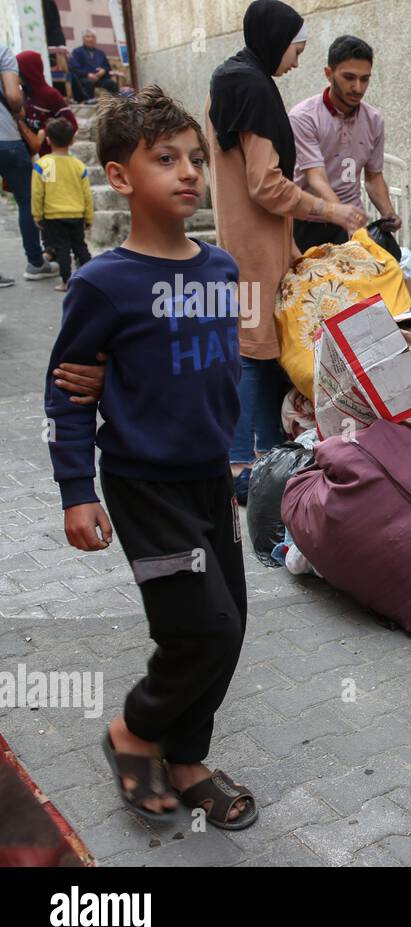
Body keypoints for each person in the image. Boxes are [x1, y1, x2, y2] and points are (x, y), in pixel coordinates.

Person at [44, 86, 257, 830]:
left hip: (209, 482)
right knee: (199, 630)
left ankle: (187, 755)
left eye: (195, 157)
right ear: (122, 176)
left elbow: (213, 373)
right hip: (142, 486)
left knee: (231, 625)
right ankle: (133, 733)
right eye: (165, 158)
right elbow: (66, 391)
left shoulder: (223, 271)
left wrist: (235, 461)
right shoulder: (103, 284)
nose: (189, 172)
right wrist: (77, 489)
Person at [207, 0, 366, 504]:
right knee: (252, 352)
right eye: (295, 49)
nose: (295, 60)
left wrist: (291, 242)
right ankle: (240, 463)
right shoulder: (251, 86)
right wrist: (330, 211)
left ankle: (268, 450)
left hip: (253, 240)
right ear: (275, 42)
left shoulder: (236, 78)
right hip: (252, 249)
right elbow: (266, 186)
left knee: (260, 346)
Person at [288, 34, 398, 251]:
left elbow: (374, 177)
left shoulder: (374, 119)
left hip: (351, 224)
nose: (358, 87)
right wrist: (341, 214)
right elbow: (316, 178)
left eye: (365, 79)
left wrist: (388, 213)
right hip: (307, 220)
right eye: (349, 77)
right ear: (329, 74)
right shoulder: (304, 117)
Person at [0, 42, 59, 285]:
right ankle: (36, 263)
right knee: (25, 199)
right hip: (7, 138)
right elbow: (14, 96)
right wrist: (19, 110)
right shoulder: (2, 51)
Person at [31, 118, 92, 291]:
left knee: (61, 250)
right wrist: (88, 217)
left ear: (48, 140)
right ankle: (91, 278)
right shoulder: (79, 166)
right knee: (80, 247)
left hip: (54, 216)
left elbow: (37, 193)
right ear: (72, 140)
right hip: (77, 214)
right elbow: (86, 194)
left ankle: (66, 282)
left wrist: (37, 214)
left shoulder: (43, 164)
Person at [18, 49, 78, 157]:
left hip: (52, 158)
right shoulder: (24, 94)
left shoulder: (50, 94)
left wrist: (46, 131)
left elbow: (71, 123)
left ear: (28, 72)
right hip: (31, 155)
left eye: (18, 72)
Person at [68, 31, 121, 102]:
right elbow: (74, 68)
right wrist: (87, 74)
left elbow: (108, 67)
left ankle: (117, 104)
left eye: (93, 37)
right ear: (83, 39)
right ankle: (89, 102)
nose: (91, 39)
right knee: (88, 83)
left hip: (99, 78)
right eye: (88, 36)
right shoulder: (77, 52)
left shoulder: (101, 53)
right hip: (84, 78)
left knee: (112, 84)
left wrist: (103, 70)